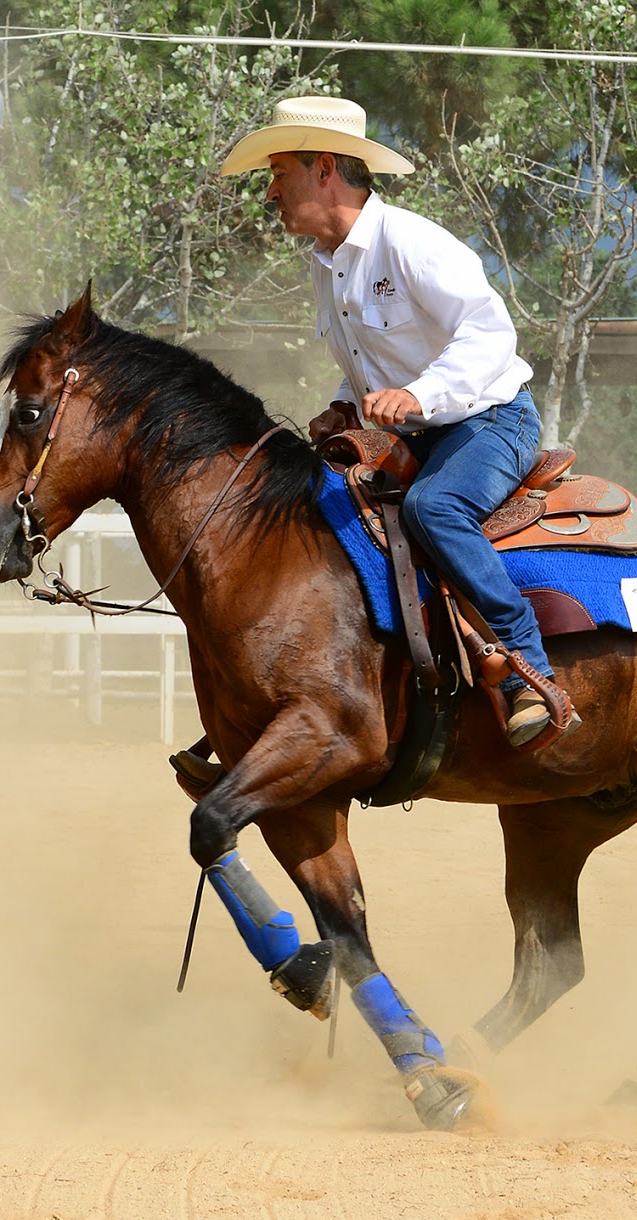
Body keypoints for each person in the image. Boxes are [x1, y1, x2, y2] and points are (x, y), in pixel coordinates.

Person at [220, 96, 577, 747]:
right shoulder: (326, 266)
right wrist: (345, 405)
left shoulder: (411, 242)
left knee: (434, 509)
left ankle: (529, 666)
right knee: (308, 507)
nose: (270, 191)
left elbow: (489, 332)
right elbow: (369, 361)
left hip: (491, 421)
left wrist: (419, 395)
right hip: (424, 431)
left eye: (279, 173)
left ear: (324, 167)